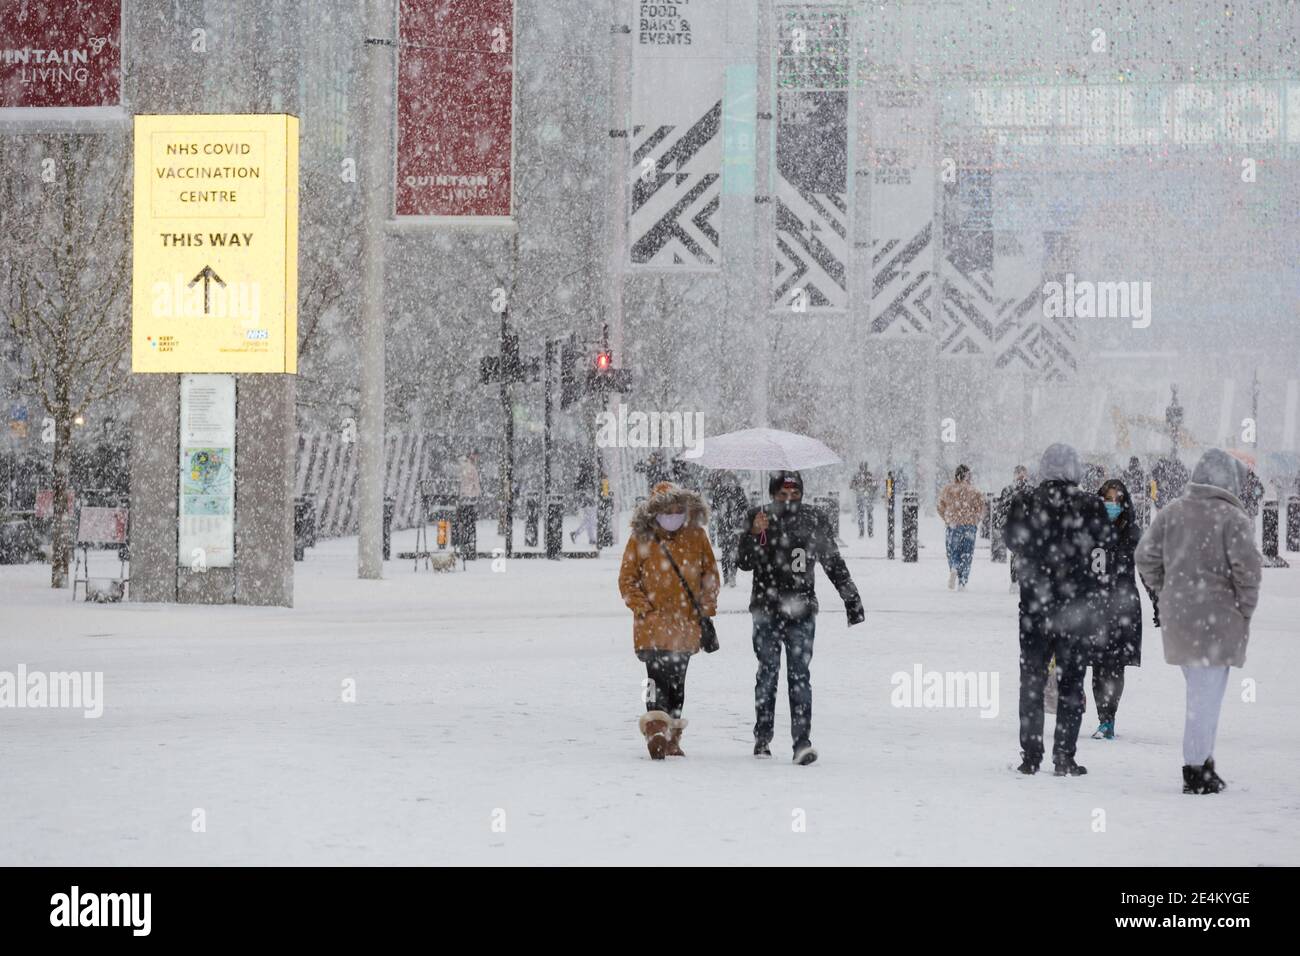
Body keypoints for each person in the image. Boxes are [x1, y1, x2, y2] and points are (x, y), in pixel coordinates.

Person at [1135, 449, 1263, 795]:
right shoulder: (1233, 518)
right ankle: (1195, 768)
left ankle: (1203, 761)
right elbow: (1248, 572)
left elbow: (1144, 557)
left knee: (1200, 693)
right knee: (1206, 698)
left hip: (1181, 619)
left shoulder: (1172, 512)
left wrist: (1166, 591)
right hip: (1218, 620)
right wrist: (1243, 609)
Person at [737, 470, 865, 765]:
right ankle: (763, 736)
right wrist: (755, 534)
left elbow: (832, 560)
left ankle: (801, 742)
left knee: (800, 676)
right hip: (766, 609)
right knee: (767, 673)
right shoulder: (758, 515)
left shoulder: (814, 518)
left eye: (794, 494)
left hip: (802, 608)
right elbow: (742, 562)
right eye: (782, 495)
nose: (789, 500)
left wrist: (851, 599)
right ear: (772, 494)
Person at [1004, 443, 1113, 777]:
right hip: (1075, 609)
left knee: (1032, 681)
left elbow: (1011, 539)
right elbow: (1101, 552)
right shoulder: (1091, 505)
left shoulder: (1024, 502)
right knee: (1071, 683)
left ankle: (1031, 754)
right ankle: (1064, 755)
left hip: (1035, 606)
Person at [618, 482, 720, 760]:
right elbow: (627, 580)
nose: (673, 514)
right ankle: (655, 729)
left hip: (685, 627)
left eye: (678, 509)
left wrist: (705, 609)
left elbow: (710, 575)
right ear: (655, 511)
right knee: (654, 678)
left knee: (678, 682)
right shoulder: (640, 538)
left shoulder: (696, 536)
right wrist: (645, 610)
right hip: (652, 627)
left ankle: (672, 734)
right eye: (667, 509)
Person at [1089, 478, 1144, 739]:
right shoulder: (1089, 529)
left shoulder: (1132, 533)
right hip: (1095, 605)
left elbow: (1148, 569)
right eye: (1107, 499)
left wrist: (1159, 603)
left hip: (1123, 607)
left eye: (1116, 500)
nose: (1111, 504)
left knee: (1115, 664)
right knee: (1098, 664)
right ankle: (1102, 715)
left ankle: (1109, 717)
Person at [937, 465, 984, 591]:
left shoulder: (948, 489)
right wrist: (975, 520)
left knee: (953, 551)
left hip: (953, 524)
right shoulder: (975, 491)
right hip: (969, 525)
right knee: (967, 554)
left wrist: (947, 519)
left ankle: (954, 567)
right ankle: (963, 582)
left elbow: (940, 506)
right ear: (968, 476)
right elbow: (981, 509)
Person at [707, 470, 749, 587]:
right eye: (726, 479)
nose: (728, 482)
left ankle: (732, 577)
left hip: (735, 527)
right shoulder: (719, 491)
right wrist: (721, 511)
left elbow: (745, 507)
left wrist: (739, 515)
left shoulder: (739, 491)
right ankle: (726, 578)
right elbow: (713, 511)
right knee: (726, 553)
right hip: (723, 527)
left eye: (730, 479)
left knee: (734, 553)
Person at [995, 466, 1032, 593]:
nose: (1021, 477)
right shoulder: (1009, 490)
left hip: (1025, 527)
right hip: (1016, 527)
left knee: (1022, 554)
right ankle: (1015, 580)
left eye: (1023, 474)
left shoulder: (1031, 490)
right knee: (1017, 554)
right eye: (1019, 474)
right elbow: (1001, 508)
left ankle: (1020, 581)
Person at [570, 456, 598, 546]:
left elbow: (576, 487)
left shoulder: (580, 475)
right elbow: (592, 485)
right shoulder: (588, 474)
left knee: (588, 519)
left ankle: (579, 535)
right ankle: (590, 538)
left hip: (585, 500)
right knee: (590, 519)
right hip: (588, 499)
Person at [850, 461, 879, 538]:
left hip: (865, 497)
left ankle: (865, 532)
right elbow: (852, 485)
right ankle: (865, 532)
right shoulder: (861, 475)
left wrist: (870, 488)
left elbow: (875, 485)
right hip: (864, 497)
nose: (863, 469)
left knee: (864, 515)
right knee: (864, 515)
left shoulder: (863, 475)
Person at [1122, 456, 1147, 525]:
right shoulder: (1141, 472)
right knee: (1139, 515)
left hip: (1130, 498)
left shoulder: (1126, 472)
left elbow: (1124, 485)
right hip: (1138, 498)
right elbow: (1143, 486)